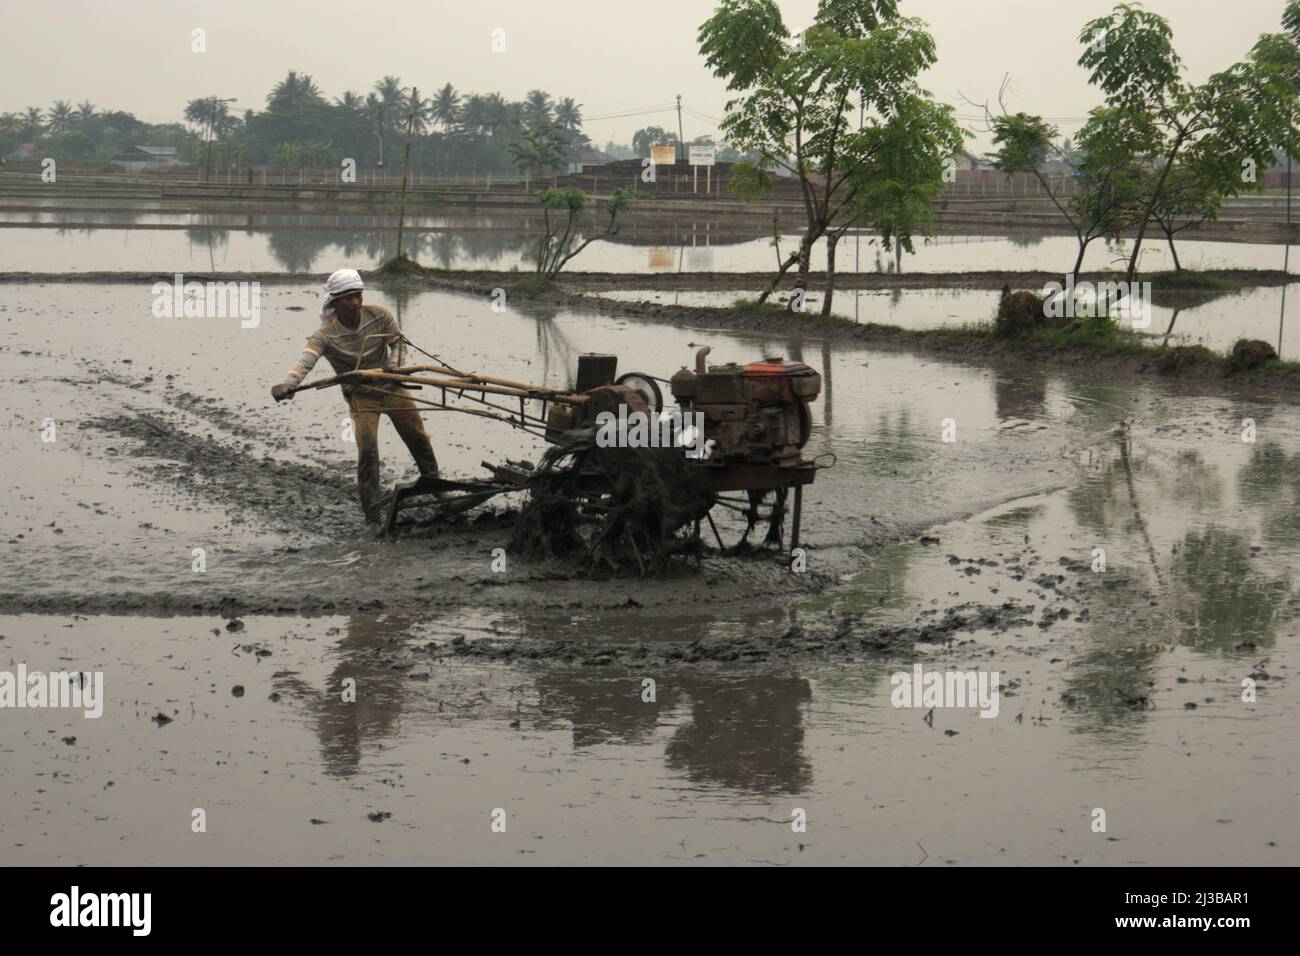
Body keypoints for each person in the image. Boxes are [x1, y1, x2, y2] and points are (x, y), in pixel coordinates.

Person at [271, 268, 438, 524]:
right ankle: (373, 515)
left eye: (359, 295)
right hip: (361, 396)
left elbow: (399, 343)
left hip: (392, 386)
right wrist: (288, 383)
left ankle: (437, 489)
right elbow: (307, 360)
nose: (357, 302)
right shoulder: (325, 334)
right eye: (350, 297)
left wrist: (394, 365)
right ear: (335, 301)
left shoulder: (379, 316)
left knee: (418, 439)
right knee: (368, 450)